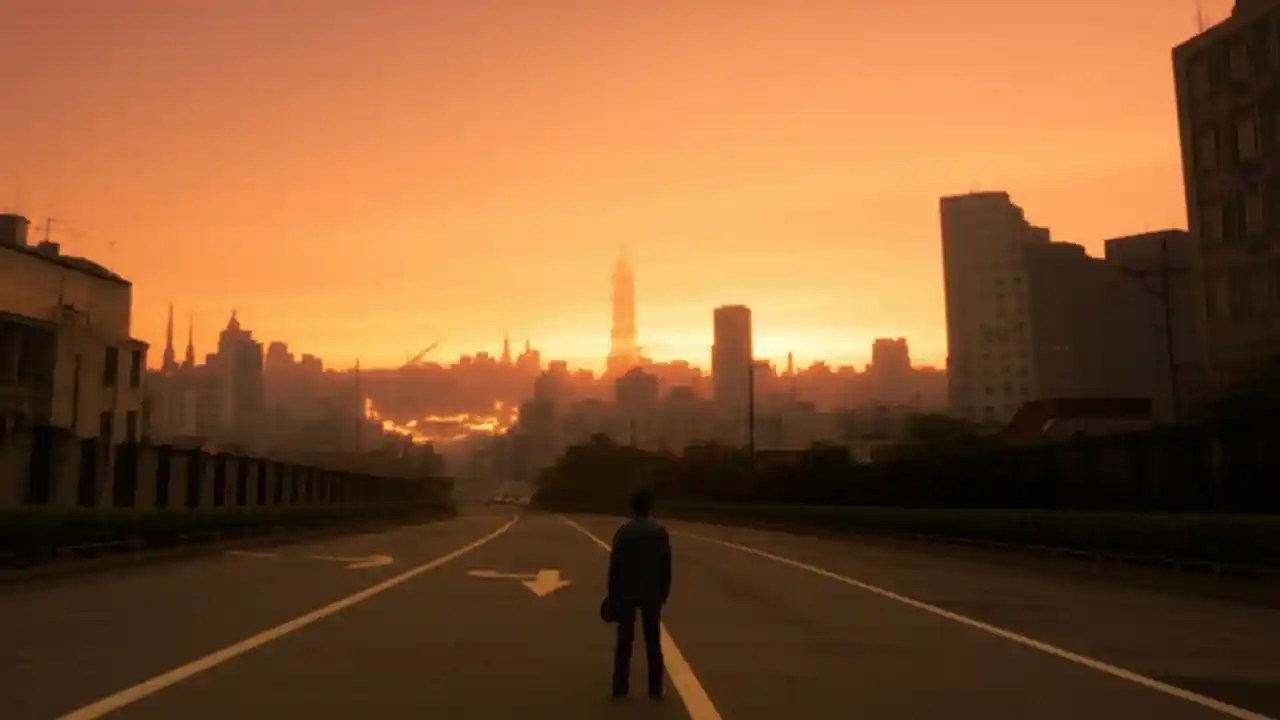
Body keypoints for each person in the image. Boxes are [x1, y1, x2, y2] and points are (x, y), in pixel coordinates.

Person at [607, 488, 671, 700]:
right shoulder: (659, 532)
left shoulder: (623, 532)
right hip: (652, 593)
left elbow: (615, 567)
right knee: (653, 642)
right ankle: (655, 688)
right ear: (650, 507)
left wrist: (613, 595)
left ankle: (620, 685)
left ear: (632, 507)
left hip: (626, 593)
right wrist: (663, 593)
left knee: (624, 642)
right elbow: (665, 566)